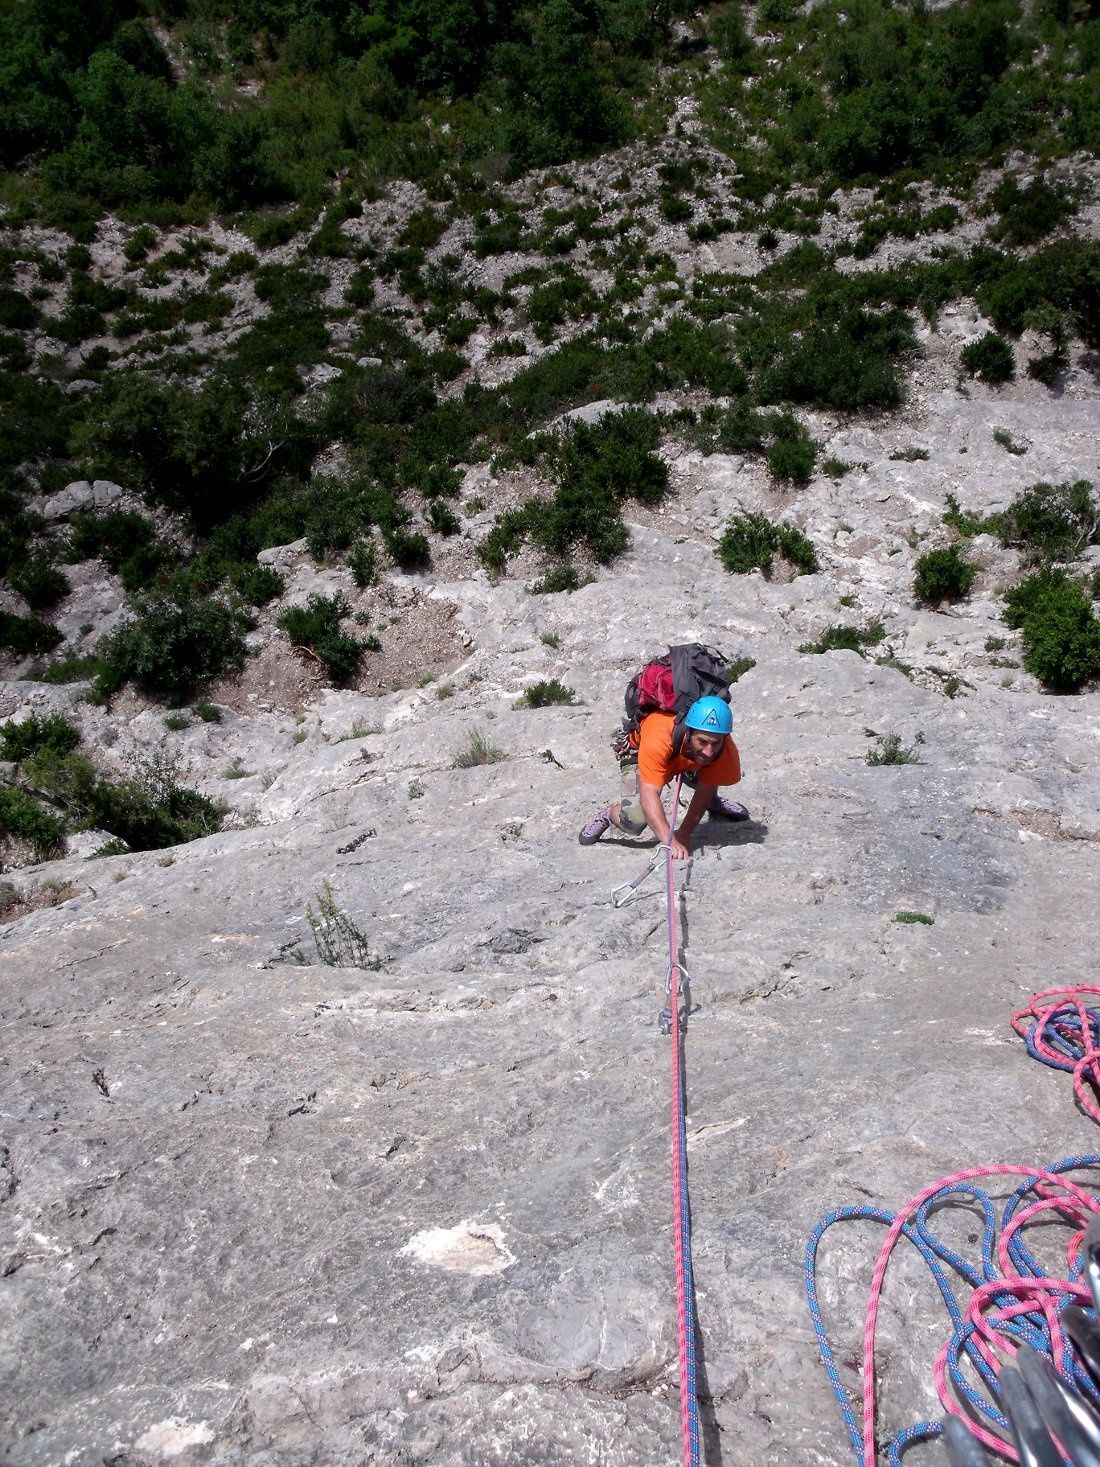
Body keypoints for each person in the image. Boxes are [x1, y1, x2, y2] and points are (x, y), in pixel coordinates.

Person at [578, 695, 747, 858]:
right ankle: (609, 814)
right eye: (702, 741)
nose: (709, 750)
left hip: (684, 758)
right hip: (638, 755)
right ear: (689, 732)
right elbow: (649, 794)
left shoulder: (722, 747)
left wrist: (683, 834)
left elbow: (707, 785)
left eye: (716, 743)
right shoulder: (658, 736)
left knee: (708, 764)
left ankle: (712, 801)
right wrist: (669, 840)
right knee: (634, 821)